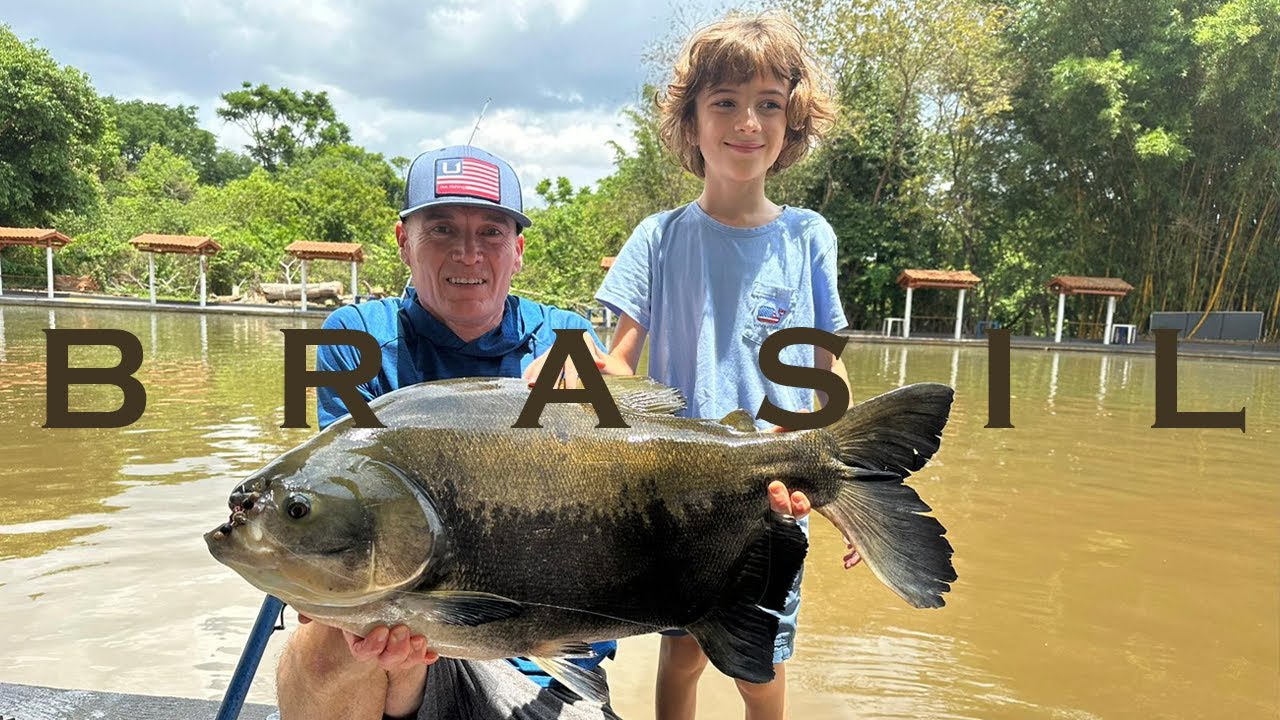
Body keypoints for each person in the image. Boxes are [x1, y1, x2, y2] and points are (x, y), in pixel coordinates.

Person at [275, 144, 624, 720]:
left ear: (518, 251)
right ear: (403, 241)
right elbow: (332, 518)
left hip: (538, 654)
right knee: (333, 636)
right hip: (399, 636)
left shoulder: (568, 336)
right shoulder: (354, 336)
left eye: (490, 231)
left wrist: (603, 409)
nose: (468, 252)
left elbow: (619, 506)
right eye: (441, 228)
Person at [594, 11, 857, 720]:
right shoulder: (658, 237)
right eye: (726, 103)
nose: (748, 122)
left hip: (775, 495)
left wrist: (846, 497)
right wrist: (573, 373)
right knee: (678, 655)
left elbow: (827, 382)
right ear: (690, 123)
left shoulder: (809, 239)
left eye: (769, 104)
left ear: (792, 121)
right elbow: (618, 364)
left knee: (758, 667)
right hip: (677, 495)